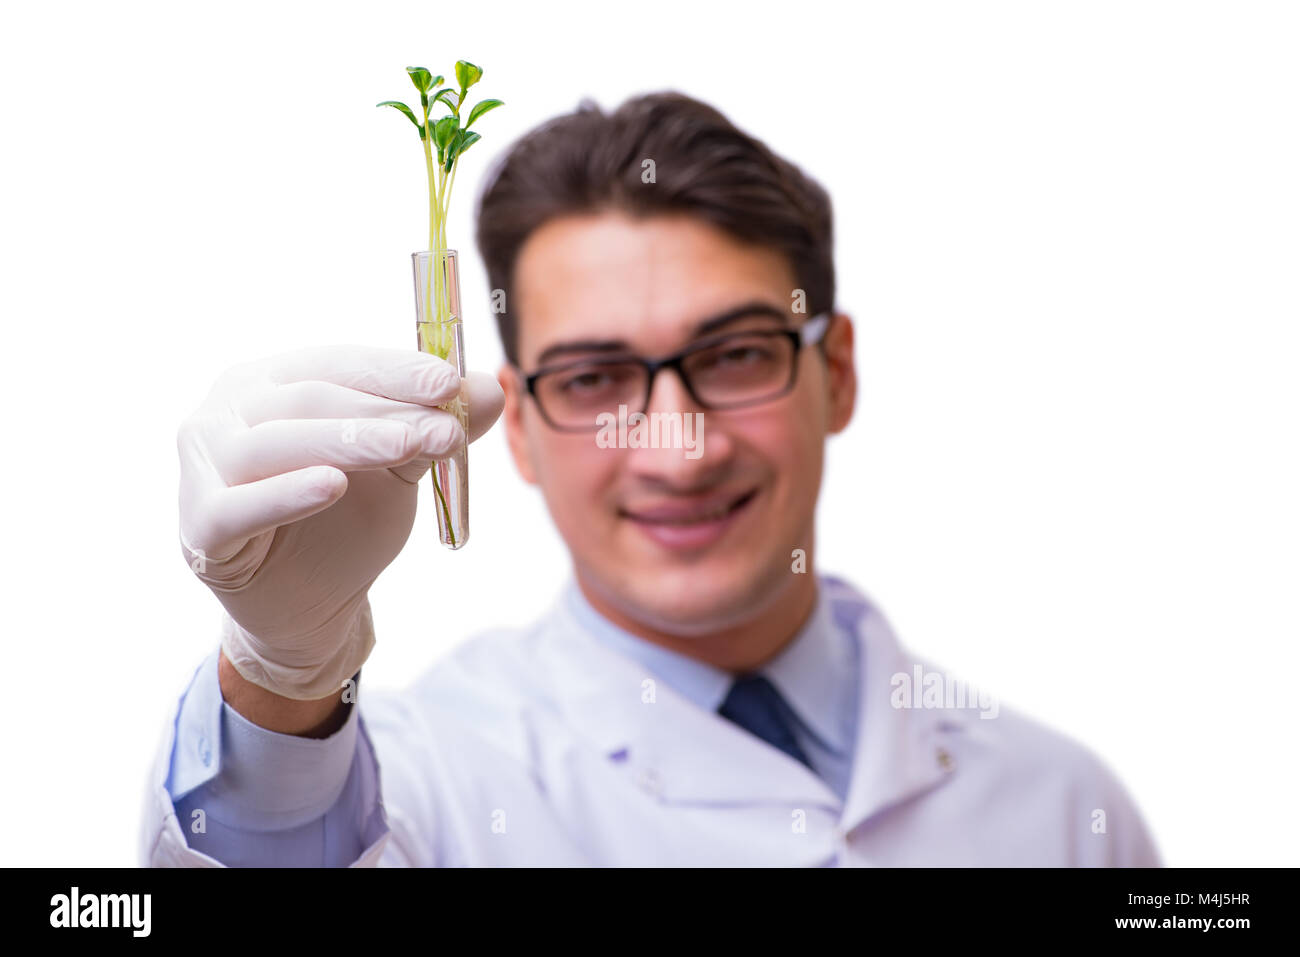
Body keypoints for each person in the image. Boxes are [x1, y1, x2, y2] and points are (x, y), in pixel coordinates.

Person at [141, 91, 1161, 866]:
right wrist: (280, 681)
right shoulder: (427, 780)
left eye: (735, 356)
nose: (680, 445)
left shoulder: (1064, 807)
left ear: (834, 373)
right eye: (593, 378)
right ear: (521, 429)